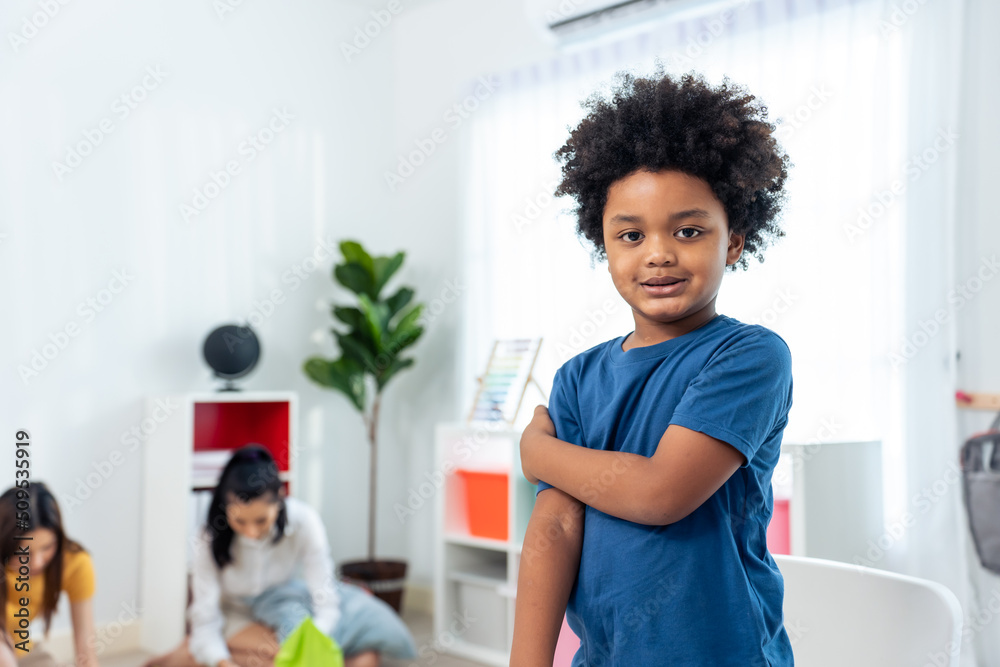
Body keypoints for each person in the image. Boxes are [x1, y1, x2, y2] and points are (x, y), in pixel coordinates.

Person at [510, 65, 796, 666]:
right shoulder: (578, 378)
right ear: (604, 245)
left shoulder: (748, 356)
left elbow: (661, 493)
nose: (659, 254)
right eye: (631, 235)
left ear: (734, 242)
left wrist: (536, 454)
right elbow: (555, 529)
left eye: (689, 230)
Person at [143, 444, 416, 667]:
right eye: (240, 522)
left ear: (281, 497)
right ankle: (186, 655)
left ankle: (184, 654)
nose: (250, 532)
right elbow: (206, 618)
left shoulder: (304, 521)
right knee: (270, 658)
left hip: (281, 605)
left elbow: (325, 599)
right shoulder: (209, 536)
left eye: (261, 521)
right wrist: (221, 662)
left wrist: (314, 644)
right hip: (234, 613)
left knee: (361, 658)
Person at [0, 482, 98, 667]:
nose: (37, 563)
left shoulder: (75, 563)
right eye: (24, 554)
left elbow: (86, 654)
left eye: (47, 547)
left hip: (19, 650)